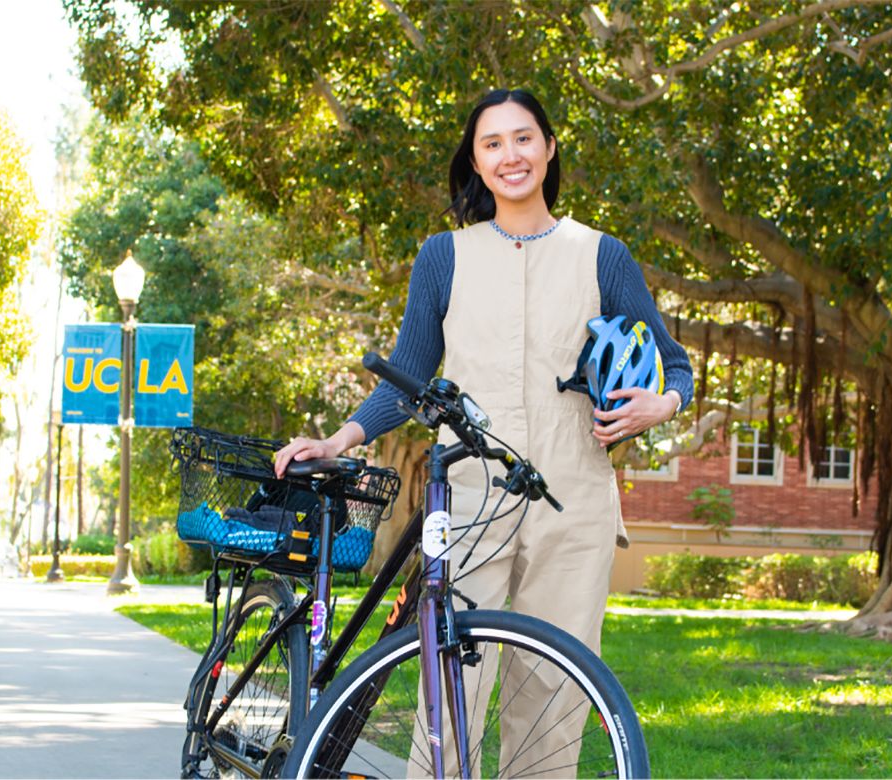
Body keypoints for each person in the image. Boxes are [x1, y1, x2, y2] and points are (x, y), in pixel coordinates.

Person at [275, 88, 693, 775]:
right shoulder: (444, 256)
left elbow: (674, 367)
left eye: (522, 138)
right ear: (475, 161)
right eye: (491, 144)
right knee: (450, 691)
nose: (510, 155)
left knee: (553, 697)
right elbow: (407, 374)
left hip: (575, 501)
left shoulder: (601, 255)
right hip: (466, 496)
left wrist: (661, 404)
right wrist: (340, 439)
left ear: (549, 148)